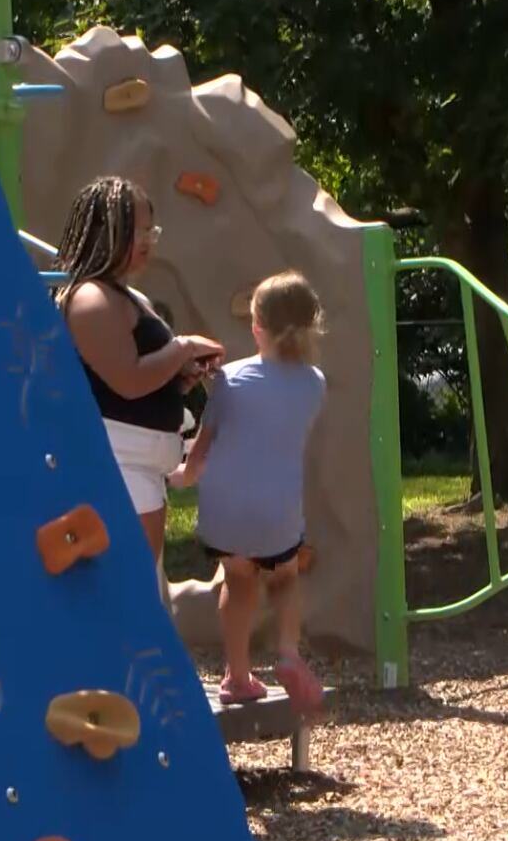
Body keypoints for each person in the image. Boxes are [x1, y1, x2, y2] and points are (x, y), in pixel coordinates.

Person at [169, 271, 327, 711]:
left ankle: (237, 677)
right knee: (285, 577)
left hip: (226, 512)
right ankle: (288, 653)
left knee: (238, 582)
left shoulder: (229, 379)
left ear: (256, 327)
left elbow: (204, 447)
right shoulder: (314, 382)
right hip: (278, 510)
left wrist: (182, 475)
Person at [55, 176, 225, 567]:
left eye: (151, 230)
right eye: (136, 231)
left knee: (139, 579)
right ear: (104, 231)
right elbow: (128, 381)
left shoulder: (128, 297)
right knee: (128, 581)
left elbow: (137, 379)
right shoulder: (91, 299)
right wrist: (183, 347)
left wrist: (177, 379)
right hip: (118, 467)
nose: (147, 240)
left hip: (141, 470)